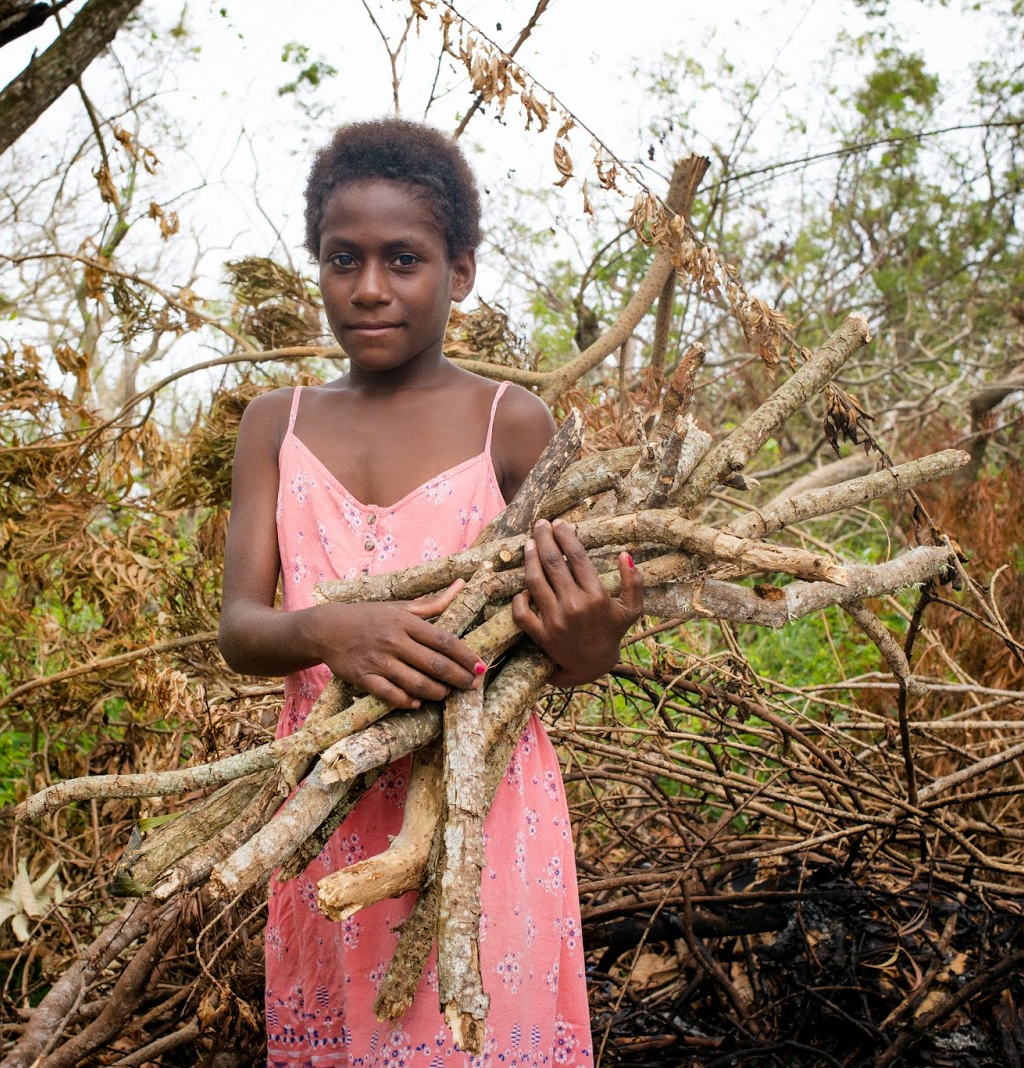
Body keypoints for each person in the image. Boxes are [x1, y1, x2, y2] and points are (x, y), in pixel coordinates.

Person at [219, 118, 643, 1067]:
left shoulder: (513, 424)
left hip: (481, 801)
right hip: (327, 801)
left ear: (459, 273)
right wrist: (329, 628)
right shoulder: (273, 426)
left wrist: (590, 638)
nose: (369, 288)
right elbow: (241, 631)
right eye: (343, 260)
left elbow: (578, 656)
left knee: (473, 1033)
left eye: (403, 260)